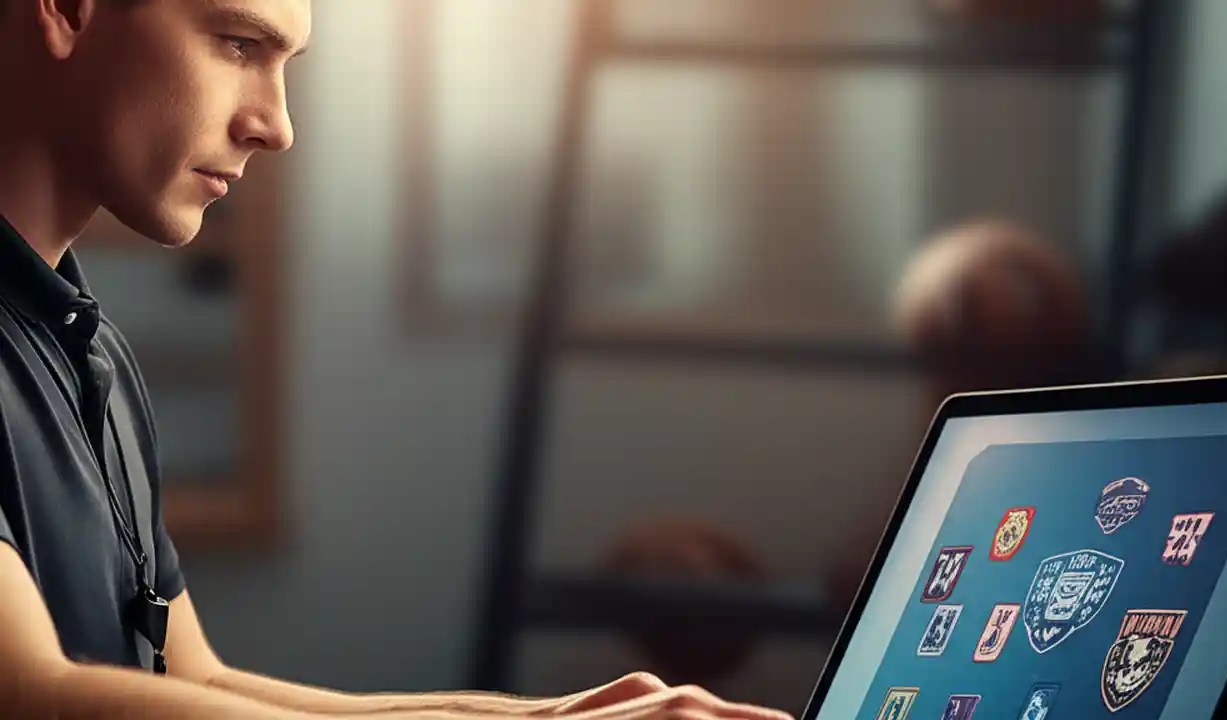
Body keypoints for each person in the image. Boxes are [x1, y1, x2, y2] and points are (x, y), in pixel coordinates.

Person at [0, 2, 796, 719]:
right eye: (239, 45)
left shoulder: (89, 351)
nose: (277, 125)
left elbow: (188, 678)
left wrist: (539, 719)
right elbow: (33, 694)